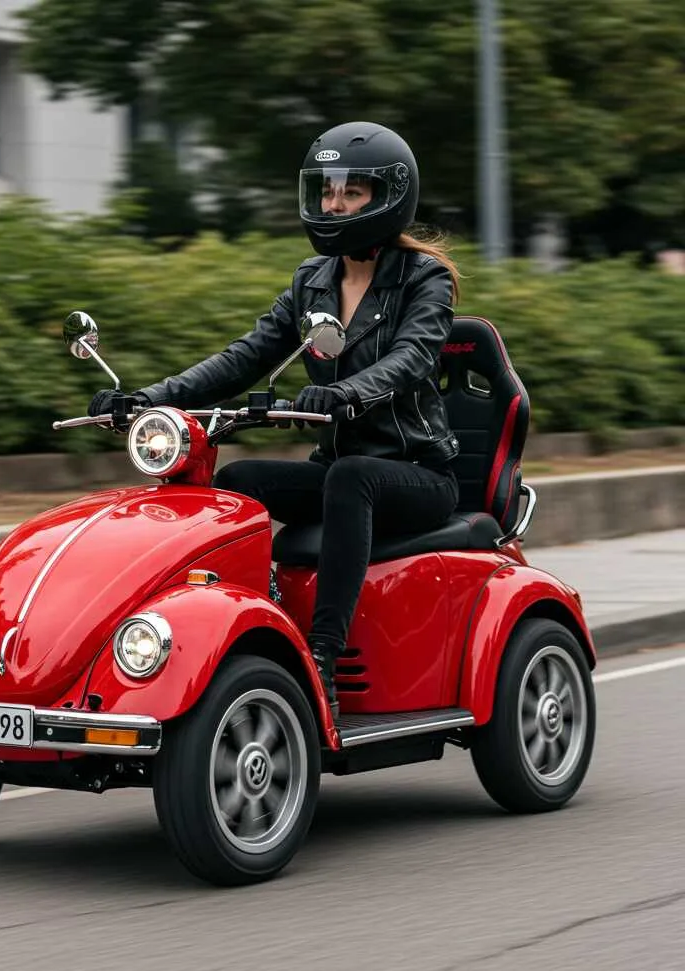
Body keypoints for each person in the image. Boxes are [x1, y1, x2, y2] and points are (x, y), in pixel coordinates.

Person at [87, 121, 461, 719]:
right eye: (327, 190)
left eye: (351, 192)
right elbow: (245, 357)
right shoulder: (310, 282)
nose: (334, 204)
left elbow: (411, 357)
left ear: (389, 195)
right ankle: (239, 627)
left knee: (352, 477)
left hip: (417, 475)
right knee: (237, 483)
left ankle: (322, 659)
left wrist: (344, 394)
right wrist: (148, 397)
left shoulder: (425, 280)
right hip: (341, 466)